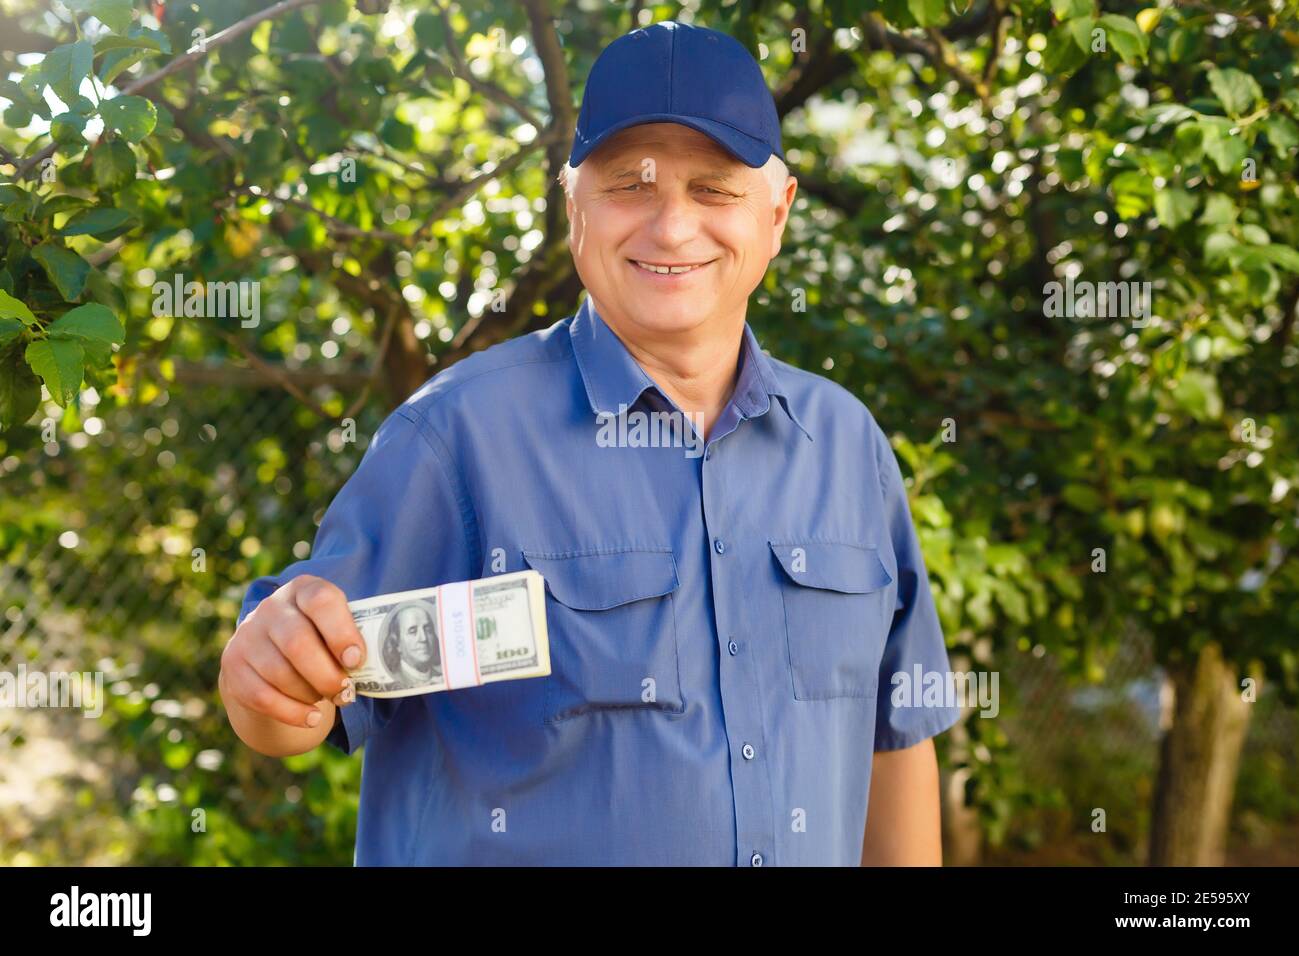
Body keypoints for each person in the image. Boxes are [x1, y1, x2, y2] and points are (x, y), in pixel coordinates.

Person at [219, 20, 959, 866]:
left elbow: (894, 733)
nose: (672, 228)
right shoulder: (457, 436)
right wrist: (269, 672)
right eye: (630, 185)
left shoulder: (847, 447)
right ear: (574, 206)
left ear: (778, 212)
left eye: (713, 189)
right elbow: (290, 700)